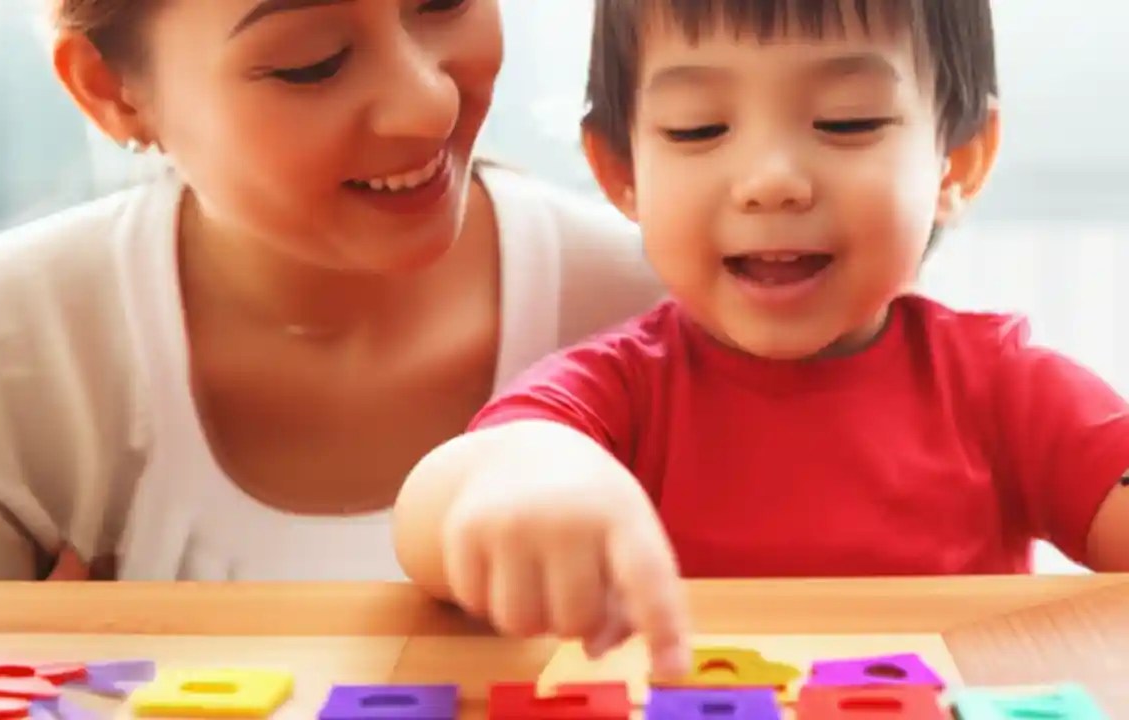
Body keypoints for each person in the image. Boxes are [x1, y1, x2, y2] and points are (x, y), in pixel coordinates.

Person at [392, 0, 1129, 680]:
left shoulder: (999, 386)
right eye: (698, 128)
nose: (771, 181)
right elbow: (437, 507)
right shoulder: (618, 391)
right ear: (622, 173)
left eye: (847, 121)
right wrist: (525, 481)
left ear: (957, 161)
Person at [0, 0, 666, 581]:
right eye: (311, 61)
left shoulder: (667, 308)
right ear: (110, 89)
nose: (429, 102)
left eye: (444, 1)